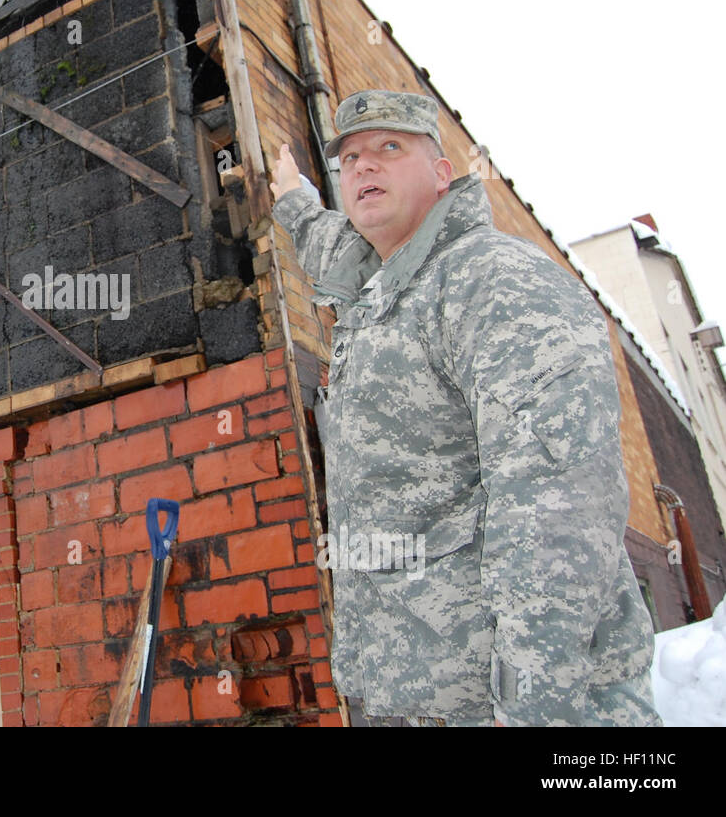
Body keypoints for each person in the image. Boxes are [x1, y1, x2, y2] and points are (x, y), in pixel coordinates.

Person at [269, 89, 661, 726]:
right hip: (409, 697)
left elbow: (557, 504)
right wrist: (292, 194)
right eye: (350, 160)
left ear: (442, 174)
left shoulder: (493, 281)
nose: (363, 166)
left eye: (389, 148)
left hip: (509, 708)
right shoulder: (385, 284)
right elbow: (326, 242)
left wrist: (534, 706)